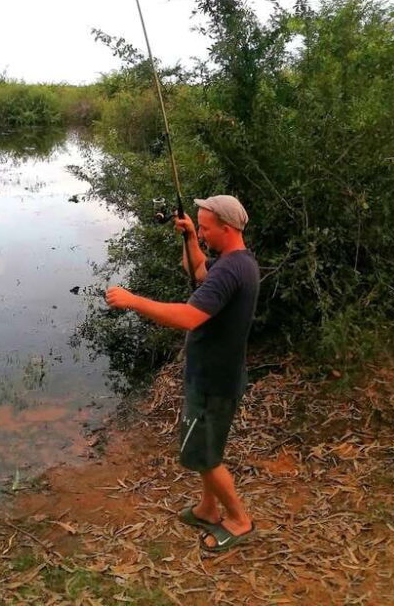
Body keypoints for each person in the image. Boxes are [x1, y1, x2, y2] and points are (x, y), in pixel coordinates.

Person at [105, 194, 259, 553]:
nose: (203, 233)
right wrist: (190, 237)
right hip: (215, 374)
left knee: (205, 455)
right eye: (199, 227)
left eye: (206, 228)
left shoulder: (231, 270)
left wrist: (134, 301)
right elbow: (197, 272)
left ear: (227, 227)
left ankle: (238, 520)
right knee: (205, 446)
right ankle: (208, 508)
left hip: (213, 380)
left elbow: (189, 317)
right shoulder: (237, 263)